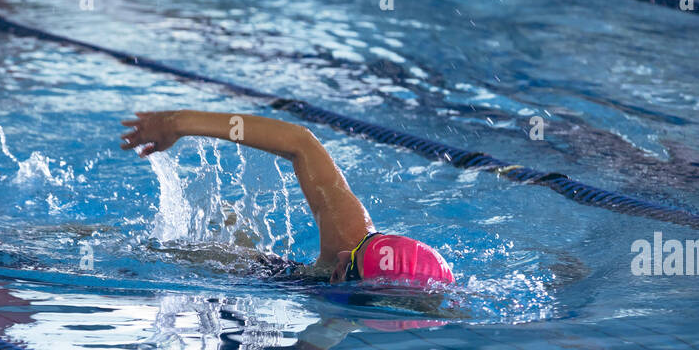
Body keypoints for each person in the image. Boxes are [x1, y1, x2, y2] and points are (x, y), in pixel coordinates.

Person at [120, 110, 456, 286]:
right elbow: (301, 142)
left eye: (348, 267)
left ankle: (234, 225)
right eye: (356, 250)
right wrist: (180, 122)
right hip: (274, 274)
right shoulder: (353, 238)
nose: (340, 254)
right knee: (160, 252)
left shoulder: (362, 311)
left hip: (290, 285)